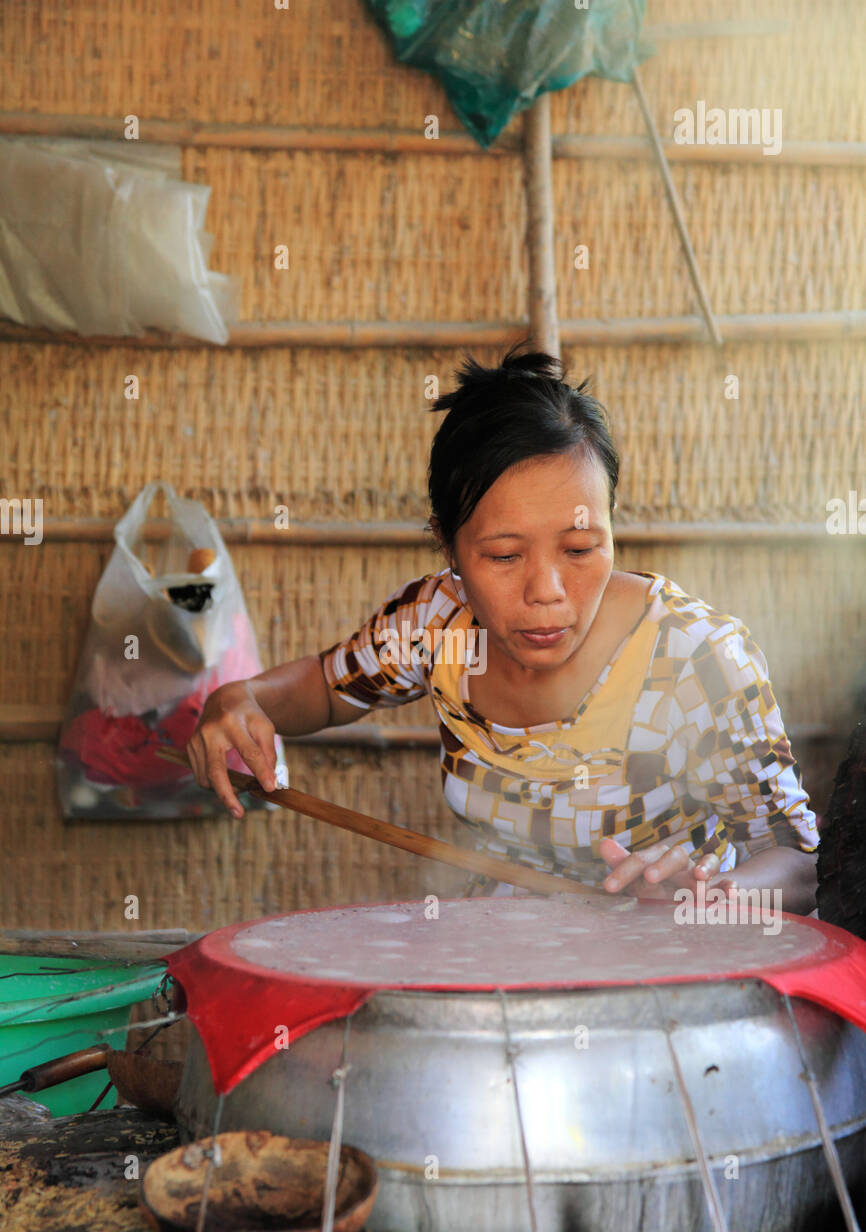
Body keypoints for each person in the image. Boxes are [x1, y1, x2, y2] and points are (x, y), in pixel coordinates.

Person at [186, 343, 818, 913]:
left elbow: (804, 863)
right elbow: (327, 689)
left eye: (579, 549)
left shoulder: (694, 657)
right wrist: (238, 700)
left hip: (669, 989)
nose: (546, 591)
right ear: (448, 548)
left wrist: (717, 895)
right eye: (504, 556)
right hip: (501, 962)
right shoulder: (438, 624)